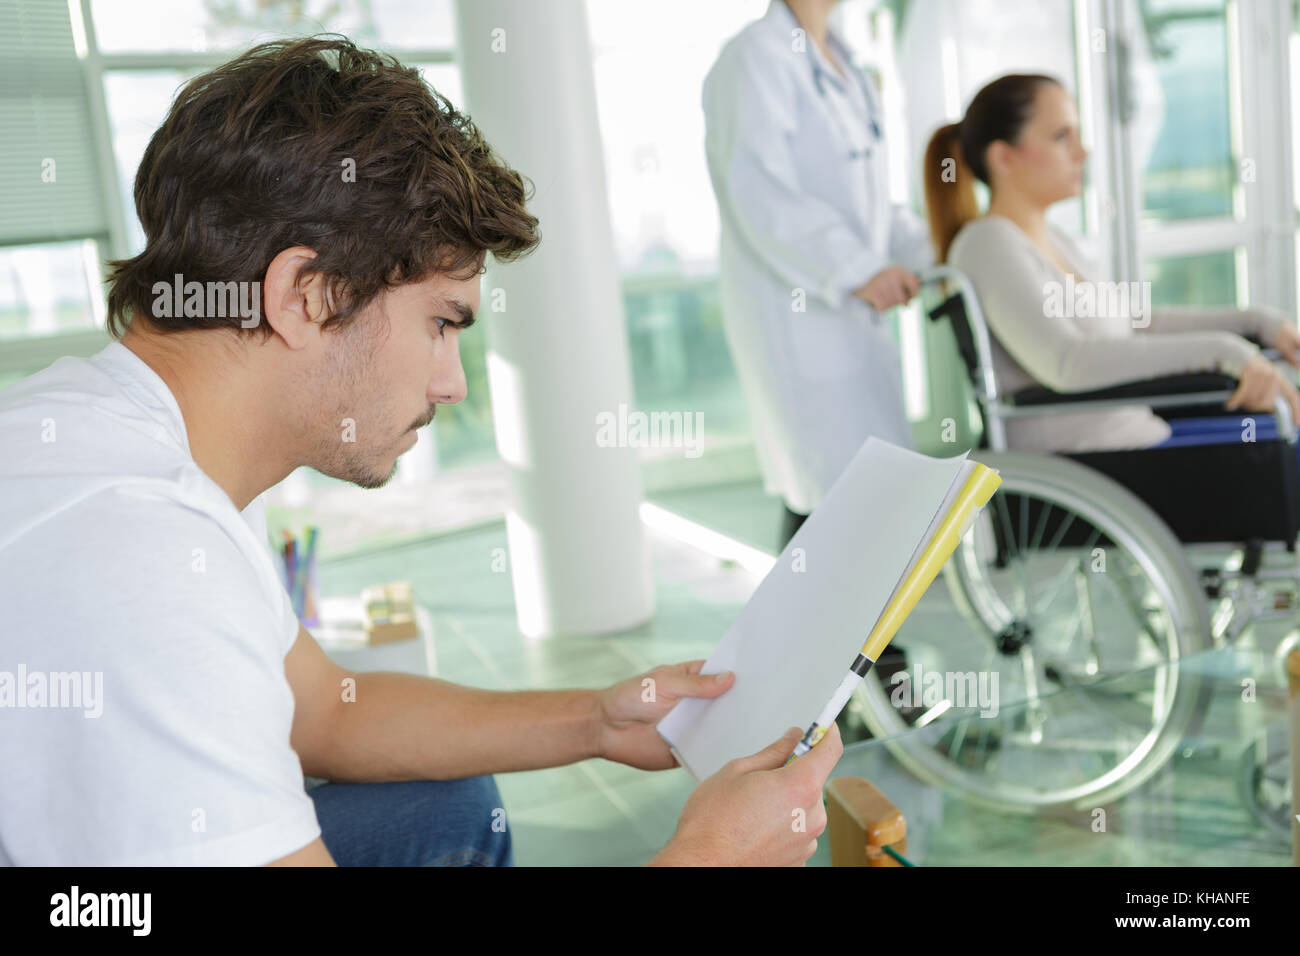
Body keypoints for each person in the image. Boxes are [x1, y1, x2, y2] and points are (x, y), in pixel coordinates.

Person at [0, 37, 842, 867]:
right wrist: (711, 858)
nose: (453, 385)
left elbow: (328, 712)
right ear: (307, 295)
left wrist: (596, 721)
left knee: (445, 809)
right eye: (441, 323)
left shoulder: (129, 440)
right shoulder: (137, 570)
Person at [923, 73, 1300, 454]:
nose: (1082, 151)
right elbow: (1067, 363)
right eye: (1061, 136)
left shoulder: (1055, 241)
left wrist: (1256, 323)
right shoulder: (987, 244)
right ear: (1004, 157)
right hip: (1096, 465)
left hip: (1141, 436)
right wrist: (1224, 352)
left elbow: (1140, 323)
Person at [703, 0, 934, 547]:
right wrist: (860, 270)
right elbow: (761, 194)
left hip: (849, 312)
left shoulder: (847, 63)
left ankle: (854, 633)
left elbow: (874, 201)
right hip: (797, 310)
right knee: (825, 492)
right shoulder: (754, 59)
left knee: (858, 487)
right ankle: (816, 633)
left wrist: (932, 251)